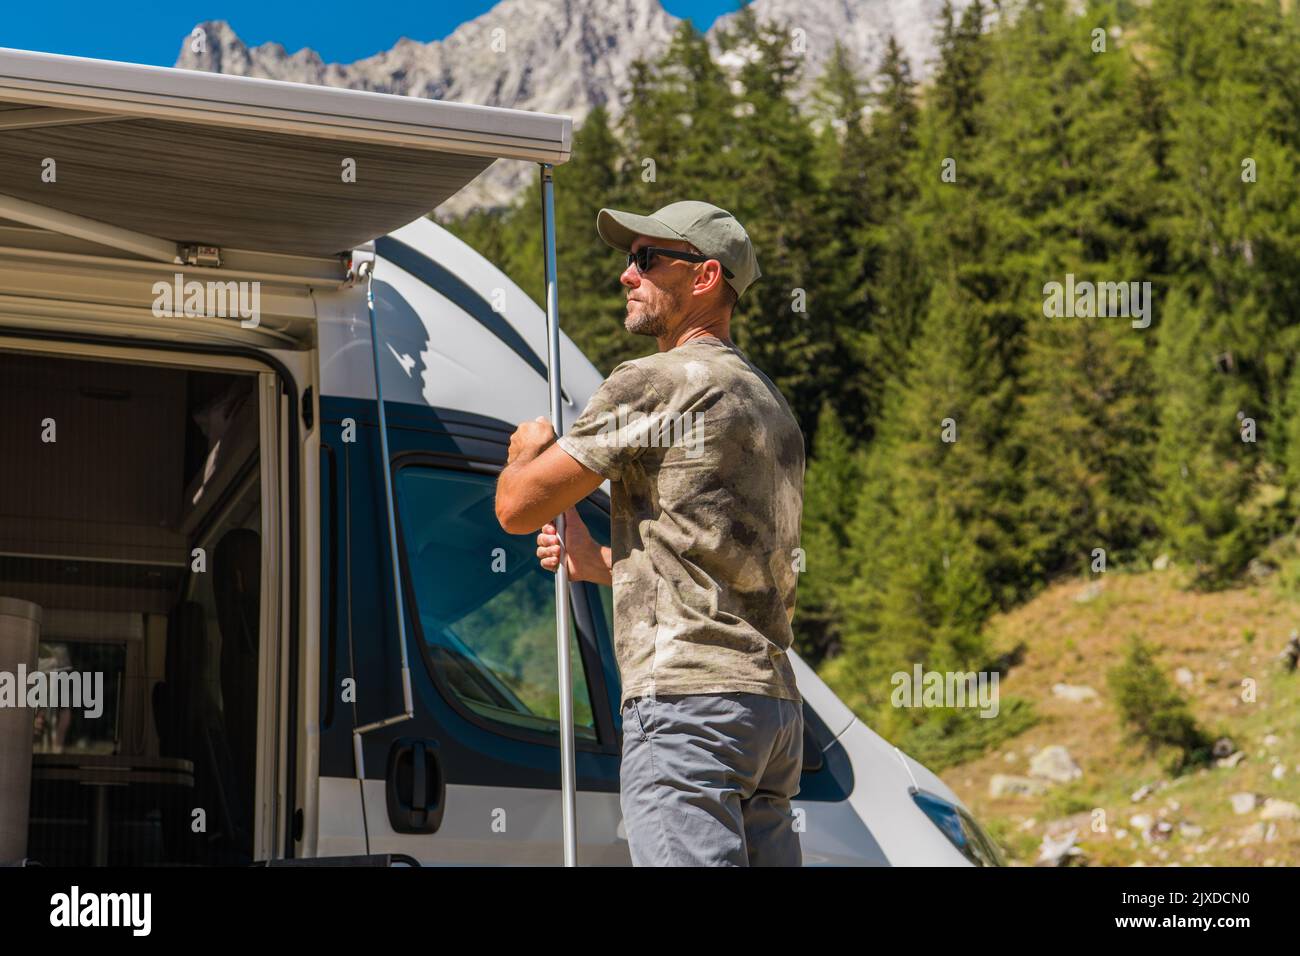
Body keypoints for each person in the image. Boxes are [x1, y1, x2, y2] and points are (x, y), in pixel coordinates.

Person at [494, 200, 806, 866]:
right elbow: (721, 562)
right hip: (772, 714)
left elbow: (518, 509)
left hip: (689, 707)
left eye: (646, 260)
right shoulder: (766, 400)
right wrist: (598, 559)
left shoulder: (656, 381)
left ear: (705, 278)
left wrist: (529, 449)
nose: (625, 277)